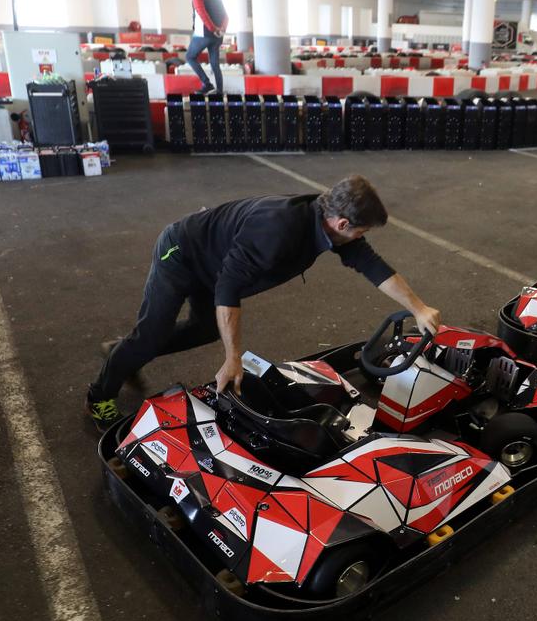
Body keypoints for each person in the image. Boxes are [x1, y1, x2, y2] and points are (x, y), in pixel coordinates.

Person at [85, 175, 442, 430]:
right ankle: (100, 394)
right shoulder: (280, 230)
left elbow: (373, 266)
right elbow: (228, 289)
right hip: (182, 254)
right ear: (343, 221)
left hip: (216, 263)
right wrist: (232, 359)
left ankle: (125, 352)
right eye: (360, 231)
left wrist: (418, 308)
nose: (360, 239)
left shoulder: (326, 222)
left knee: (204, 329)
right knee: (152, 333)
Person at [186, 0, 228, 95]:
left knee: (190, 57)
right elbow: (226, 16)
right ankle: (219, 90)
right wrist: (222, 30)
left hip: (203, 34)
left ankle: (207, 84)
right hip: (218, 36)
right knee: (215, 63)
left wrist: (212, 28)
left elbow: (201, 12)